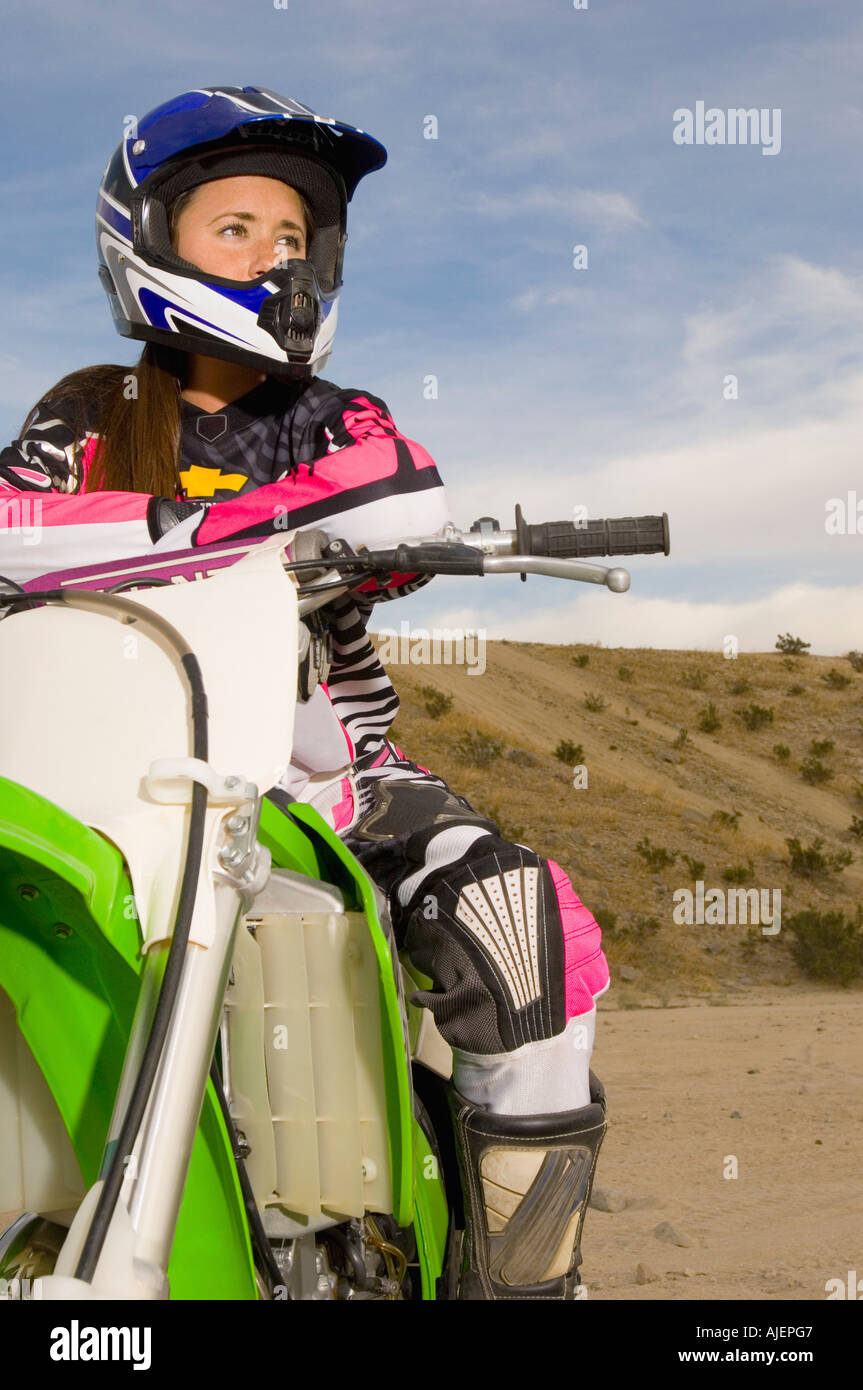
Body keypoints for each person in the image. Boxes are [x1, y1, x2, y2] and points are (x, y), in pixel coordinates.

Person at [0, 86, 610, 1300]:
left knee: (516, 922)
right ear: (151, 236)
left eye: (293, 239)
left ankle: (521, 1288)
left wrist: (188, 528)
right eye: (236, 229)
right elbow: (14, 526)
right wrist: (217, 526)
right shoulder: (95, 411)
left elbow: (398, 499)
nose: (273, 259)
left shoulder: (334, 415)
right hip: (109, 764)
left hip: (330, 780)